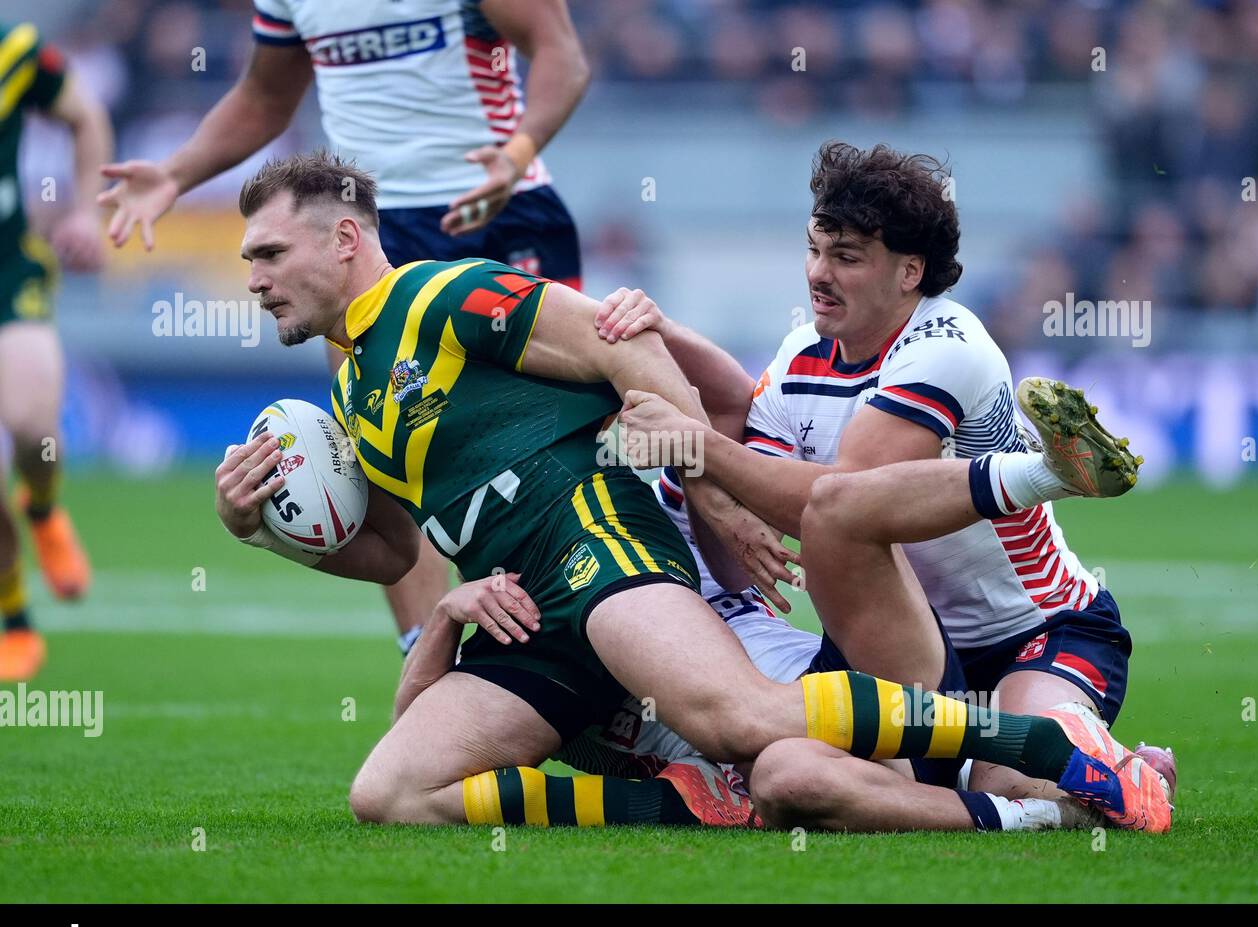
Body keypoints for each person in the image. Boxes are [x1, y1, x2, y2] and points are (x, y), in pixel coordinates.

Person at [213, 151, 1172, 833]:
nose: (253, 278)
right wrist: (264, 530)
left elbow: (616, 342)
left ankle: (1048, 747)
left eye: (267, 254)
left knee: (741, 718)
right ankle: (689, 804)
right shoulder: (350, 387)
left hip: (600, 562)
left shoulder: (442, 293)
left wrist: (709, 493)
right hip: (529, 619)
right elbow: (389, 551)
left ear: (345, 238)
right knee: (390, 794)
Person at [593, 141, 1173, 830]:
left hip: (1035, 635)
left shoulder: (948, 345)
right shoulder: (798, 358)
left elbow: (842, 500)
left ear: (909, 272)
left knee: (1007, 771)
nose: (818, 274)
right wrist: (667, 354)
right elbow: (747, 531)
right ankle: (1048, 794)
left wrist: (695, 444)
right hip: (899, 650)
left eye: (847, 257)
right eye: (814, 249)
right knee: (783, 776)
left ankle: (1070, 764)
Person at [99, 0, 590, 657]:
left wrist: (518, 150)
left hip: (498, 211)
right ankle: (432, 661)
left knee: (566, 437)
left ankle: (614, 632)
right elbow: (265, 95)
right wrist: (174, 172)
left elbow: (562, 53)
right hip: (370, 237)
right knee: (392, 463)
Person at [0, 21, 112, 681]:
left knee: (33, 427)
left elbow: (86, 115)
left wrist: (85, 212)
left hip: (10, 278)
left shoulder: (13, 54)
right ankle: (13, 615)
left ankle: (42, 509)